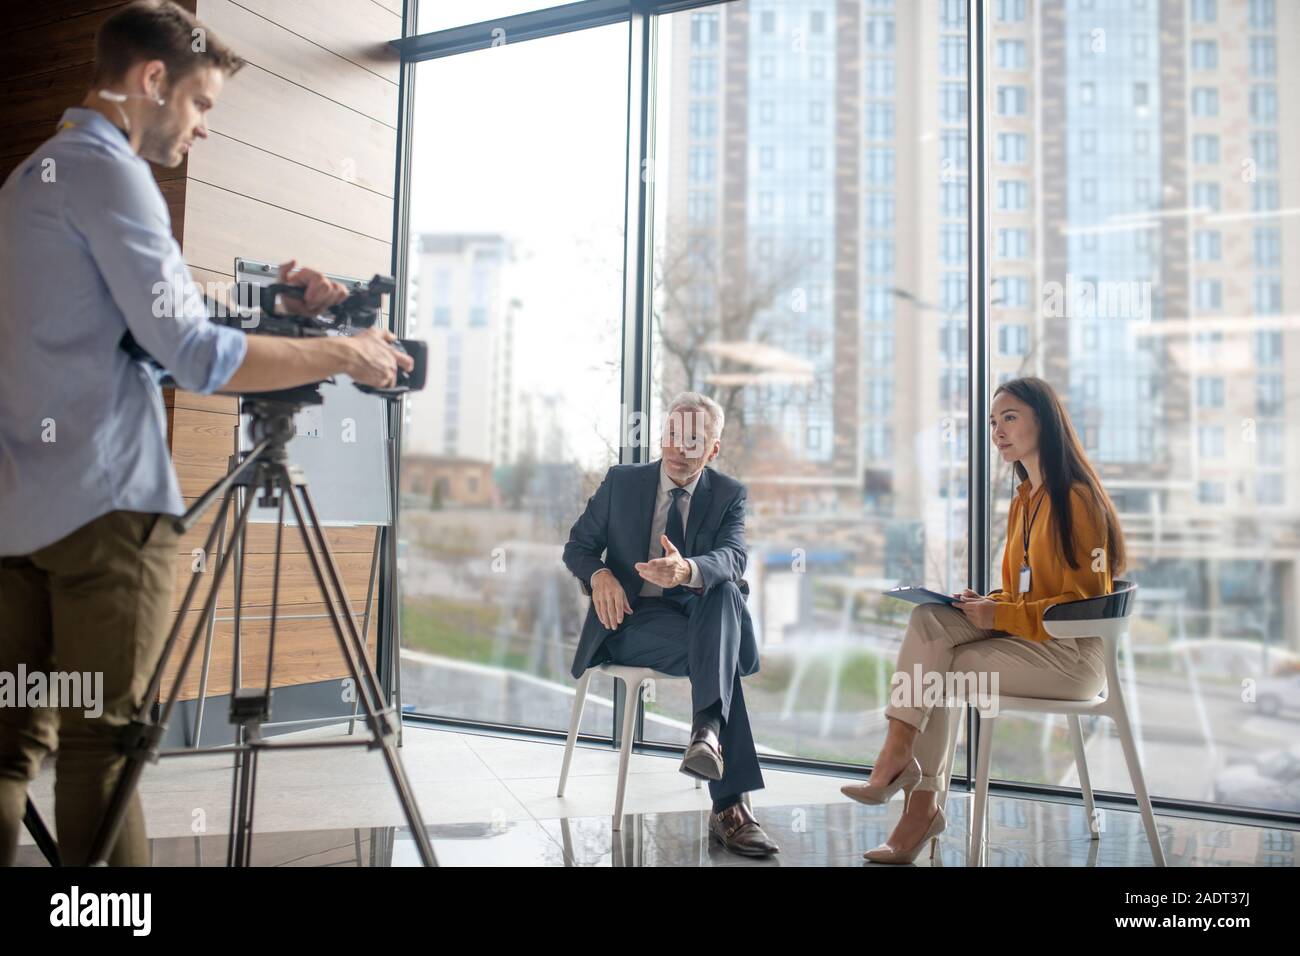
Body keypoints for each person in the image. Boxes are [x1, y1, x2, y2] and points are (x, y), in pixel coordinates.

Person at [0, 0, 413, 866]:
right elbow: (187, 350)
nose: (205, 129)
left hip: (18, 520)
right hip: (106, 519)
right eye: (202, 104)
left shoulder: (35, 177)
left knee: (9, 749)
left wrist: (280, 312)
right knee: (105, 748)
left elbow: (139, 319)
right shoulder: (113, 175)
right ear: (153, 79)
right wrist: (341, 353)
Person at [841, 376, 1126, 863]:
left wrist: (1002, 613)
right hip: (1037, 644)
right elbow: (1028, 590)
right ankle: (900, 761)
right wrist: (988, 602)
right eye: (993, 421)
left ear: (1045, 420)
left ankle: (914, 794)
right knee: (932, 620)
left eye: (1010, 417)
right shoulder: (1024, 499)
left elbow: (1082, 607)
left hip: (1073, 659)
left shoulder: (1076, 499)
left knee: (938, 672)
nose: (998, 430)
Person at [562, 392, 779, 857]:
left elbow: (733, 556)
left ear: (714, 449)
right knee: (718, 654)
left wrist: (687, 570)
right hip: (633, 622)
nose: (681, 449)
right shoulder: (623, 482)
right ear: (661, 437)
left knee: (721, 588)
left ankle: (708, 735)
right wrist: (599, 575)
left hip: (700, 616)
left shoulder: (727, 495)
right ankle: (729, 804)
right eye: (674, 437)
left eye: (695, 441)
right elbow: (577, 546)